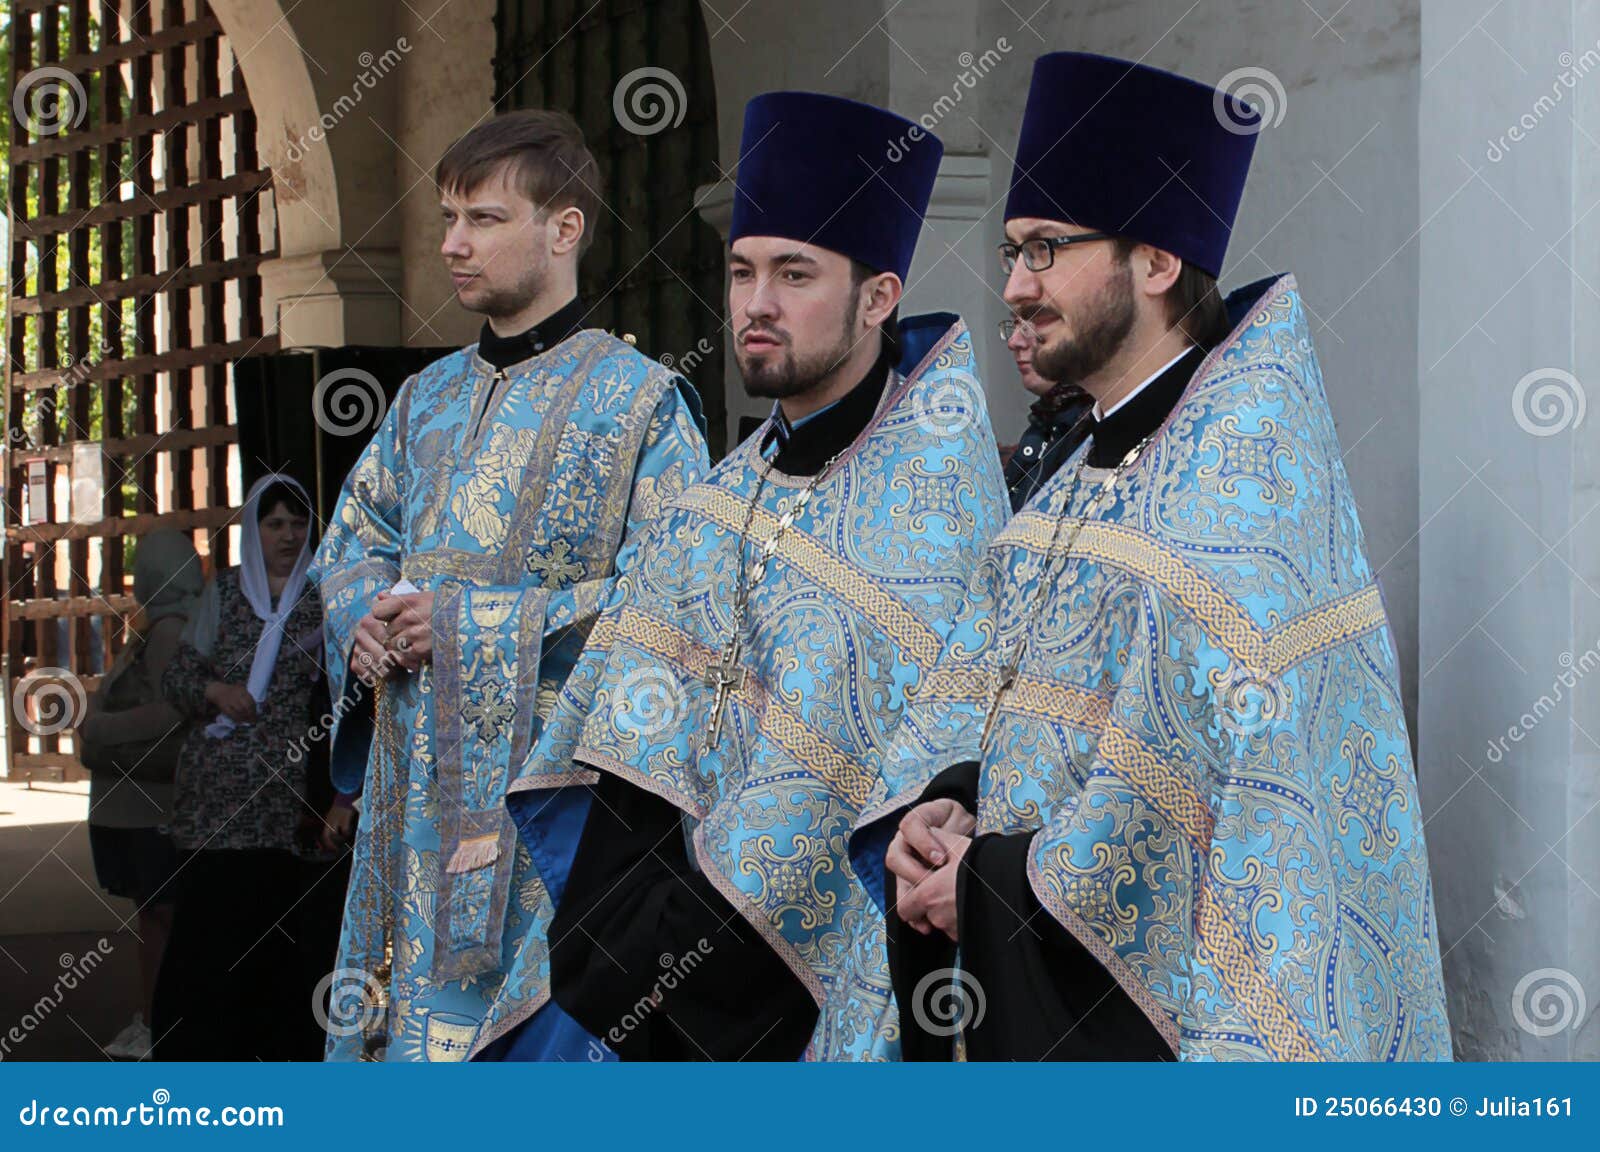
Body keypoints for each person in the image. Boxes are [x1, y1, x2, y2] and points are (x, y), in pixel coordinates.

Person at [857, 51, 1452, 1061]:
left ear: (1158, 262)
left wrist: (985, 883)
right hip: (1023, 986)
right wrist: (941, 805)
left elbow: (1197, 805)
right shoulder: (1074, 474)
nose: (1013, 287)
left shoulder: (1241, 498)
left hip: (1156, 1023)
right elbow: (993, 694)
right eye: (1010, 253)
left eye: (1044, 250)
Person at [470, 91, 1008, 1062]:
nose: (756, 304)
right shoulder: (712, 502)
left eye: (794, 274)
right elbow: (622, 750)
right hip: (634, 979)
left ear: (878, 296)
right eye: (743, 271)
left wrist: (684, 958)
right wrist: (609, 950)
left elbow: (878, 789)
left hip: (788, 1004)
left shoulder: (937, 524)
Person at [311, 109, 709, 1062]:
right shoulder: (424, 398)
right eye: (448, 216)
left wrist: (471, 627)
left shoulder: (643, 401)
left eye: (483, 219)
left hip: (546, 803)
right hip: (410, 799)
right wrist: (361, 617)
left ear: (563, 229)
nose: (453, 244)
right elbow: (352, 543)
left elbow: (679, 607)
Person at [152, 475, 331, 1060]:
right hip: (214, 799)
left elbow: (347, 693)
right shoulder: (224, 594)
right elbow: (176, 677)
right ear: (253, 530)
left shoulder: (325, 596)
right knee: (210, 929)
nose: (287, 535)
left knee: (276, 932)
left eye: (297, 523)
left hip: (284, 803)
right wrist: (216, 689)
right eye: (274, 523)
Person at [78, 531, 201, 1060]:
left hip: (149, 807)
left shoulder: (171, 629)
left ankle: (159, 1024)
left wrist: (100, 728)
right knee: (154, 917)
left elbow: (169, 712)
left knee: (159, 919)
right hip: (136, 805)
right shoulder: (163, 626)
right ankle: (157, 1019)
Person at [1000, 312, 1094, 511]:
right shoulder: (1048, 419)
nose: (1013, 341)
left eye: (1030, 324)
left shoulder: (1093, 425)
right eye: (1015, 324)